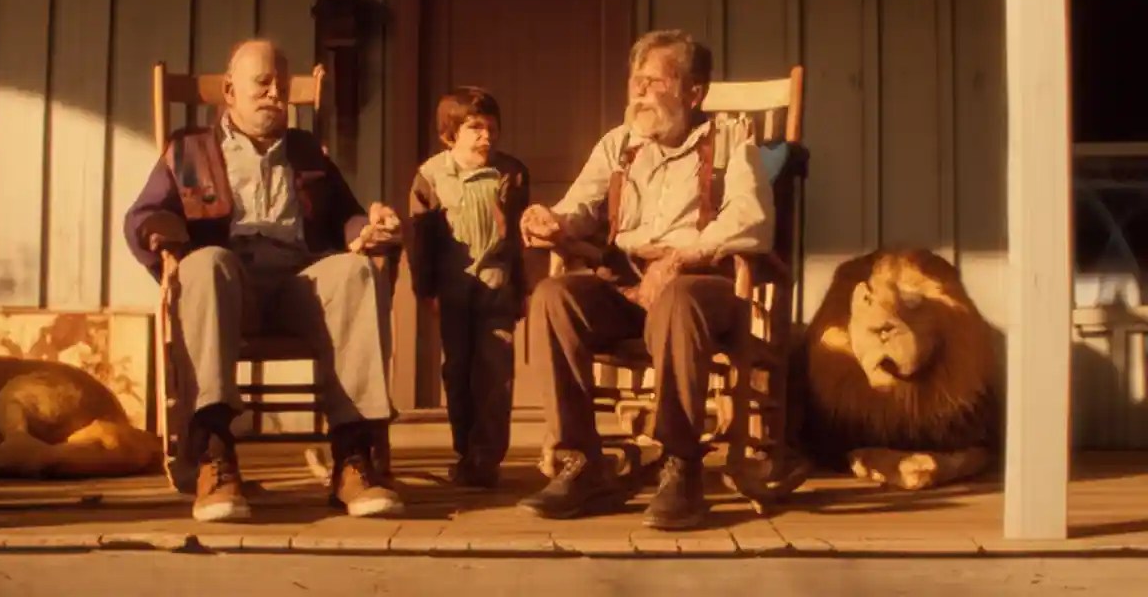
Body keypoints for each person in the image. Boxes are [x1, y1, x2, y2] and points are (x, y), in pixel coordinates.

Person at [124, 39, 404, 522]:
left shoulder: (306, 152)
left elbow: (347, 215)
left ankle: (353, 458)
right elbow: (144, 215)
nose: (276, 94)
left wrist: (369, 228)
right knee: (205, 265)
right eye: (263, 83)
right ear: (230, 92)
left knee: (355, 271)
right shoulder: (190, 150)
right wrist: (162, 235)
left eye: (283, 86)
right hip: (232, 285)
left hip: (299, 282)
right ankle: (214, 456)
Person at [516, 29, 775, 530]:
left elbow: (751, 220)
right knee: (553, 296)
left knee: (678, 297)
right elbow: (579, 208)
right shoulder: (619, 144)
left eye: (655, 82)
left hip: (701, 286)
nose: (639, 92)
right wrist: (552, 221)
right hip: (627, 283)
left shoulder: (731, 142)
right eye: (636, 81)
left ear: (693, 93)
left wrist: (680, 258)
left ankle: (681, 465)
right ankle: (580, 463)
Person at [407, 87, 530, 489]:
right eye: (475, 128)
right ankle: (465, 450)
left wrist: (522, 288)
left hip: (496, 286)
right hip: (454, 289)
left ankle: (486, 456)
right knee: (458, 369)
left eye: (492, 128)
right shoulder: (431, 177)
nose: (486, 137)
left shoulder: (511, 173)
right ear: (450, 134)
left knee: (495, 370)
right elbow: (421, 240)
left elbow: (520, 239)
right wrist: (425, 289)